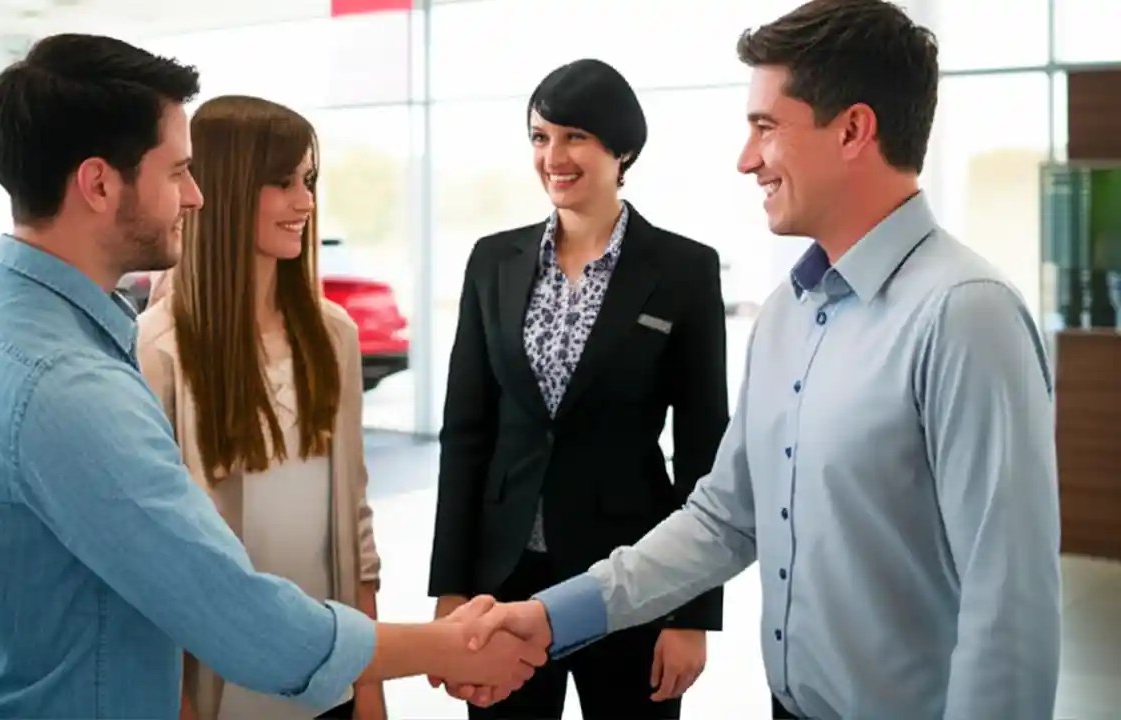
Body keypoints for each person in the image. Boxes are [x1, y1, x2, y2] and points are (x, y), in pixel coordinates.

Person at [0, 33, 544, 720]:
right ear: (98, 183)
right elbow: (245, 621)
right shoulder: (67, 385)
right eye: (176, 171)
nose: (196, 196)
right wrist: (450, 649)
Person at [449, 2, 1063, 719]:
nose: (746, 159)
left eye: (765, 128)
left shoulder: (966, 315)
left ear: (853, 130)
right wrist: (556, 617)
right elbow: (723, 518)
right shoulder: (789, 314)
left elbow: (1009, 605)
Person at [428, 58, 729, 720]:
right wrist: (450, 587)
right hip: (503, 576)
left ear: (622, 148)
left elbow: (703, 446)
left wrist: (691, 614)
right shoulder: (492, 261)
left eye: (574, 137)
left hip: (629, 574)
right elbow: (466, 432)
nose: (553, 156)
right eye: (540, 137)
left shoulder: (683, 270)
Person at [137, 95, 385, 720]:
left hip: (329, 679)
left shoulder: (334, 336)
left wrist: (372, 685)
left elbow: (355, 525)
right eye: (282, 183)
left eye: (308, 181)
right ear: (223, 189)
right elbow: (155, 559)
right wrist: (181, 703)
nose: (305, 202)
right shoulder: (161, 346)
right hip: (223, 694)